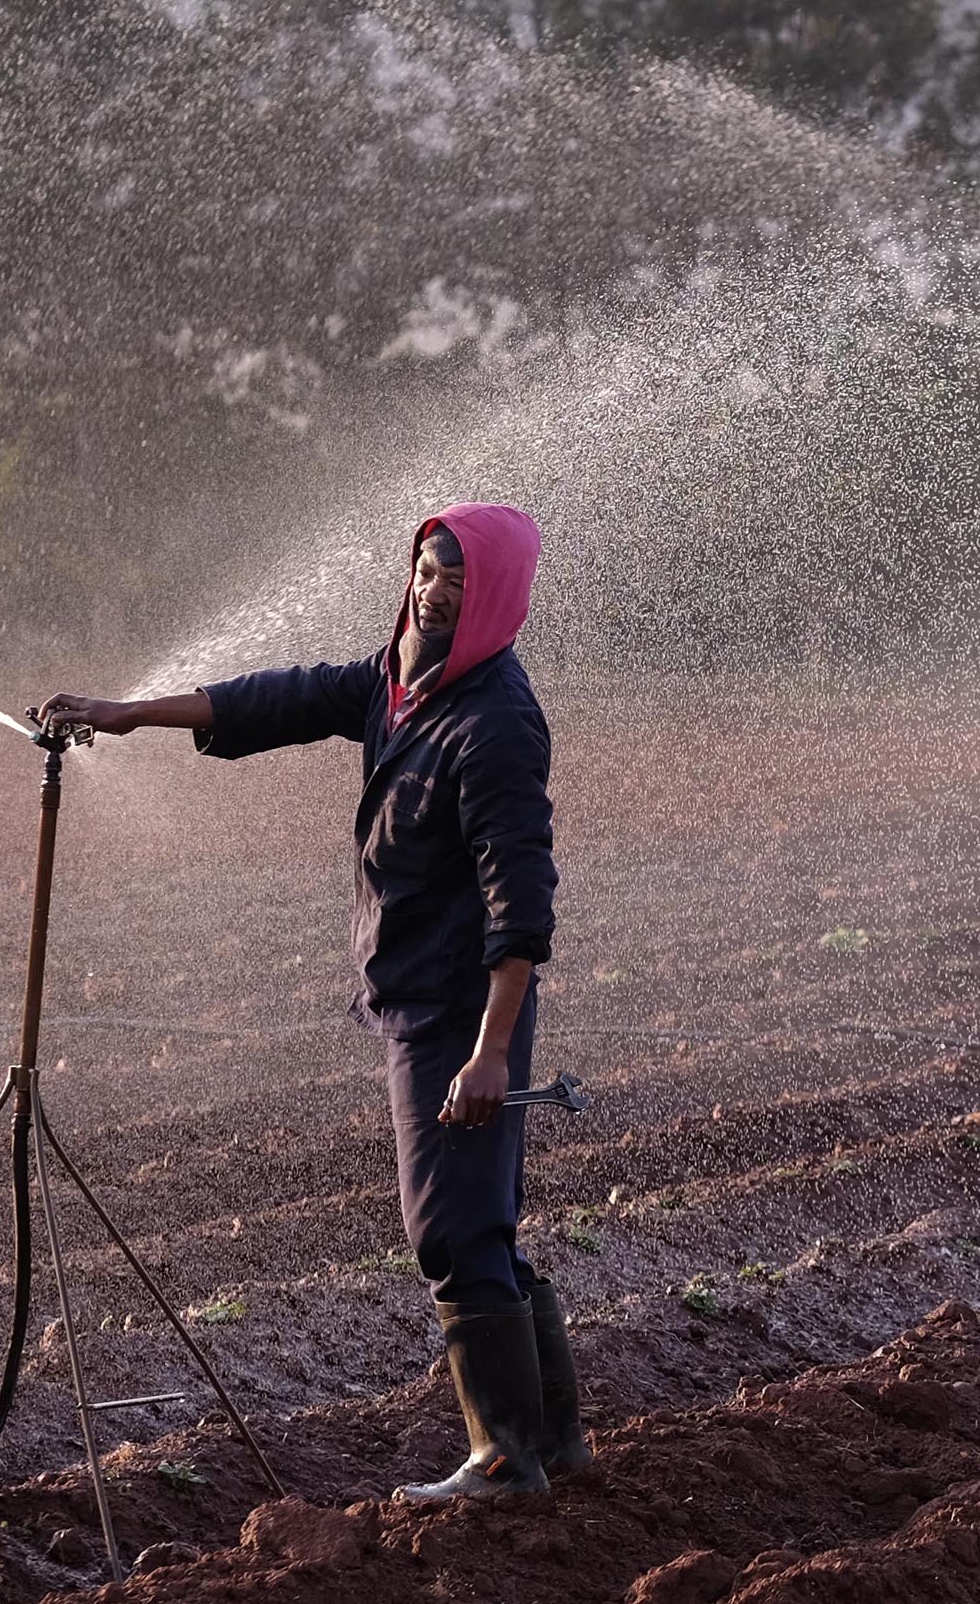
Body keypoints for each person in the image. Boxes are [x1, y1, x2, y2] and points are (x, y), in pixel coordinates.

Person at [39, 503, 586, 1503]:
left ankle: (507, 1457)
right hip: (418, 993)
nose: (433, 589)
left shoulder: (494, 721)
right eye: (426, 568)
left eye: (458, 580)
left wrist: (492, 1050)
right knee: (483, 1220)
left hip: (456, 1009)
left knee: (452, 1229)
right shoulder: (400, 682)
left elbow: (522, 896)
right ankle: (553, 1437)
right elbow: (276, 699)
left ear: (496, 596)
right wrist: (128, 712)